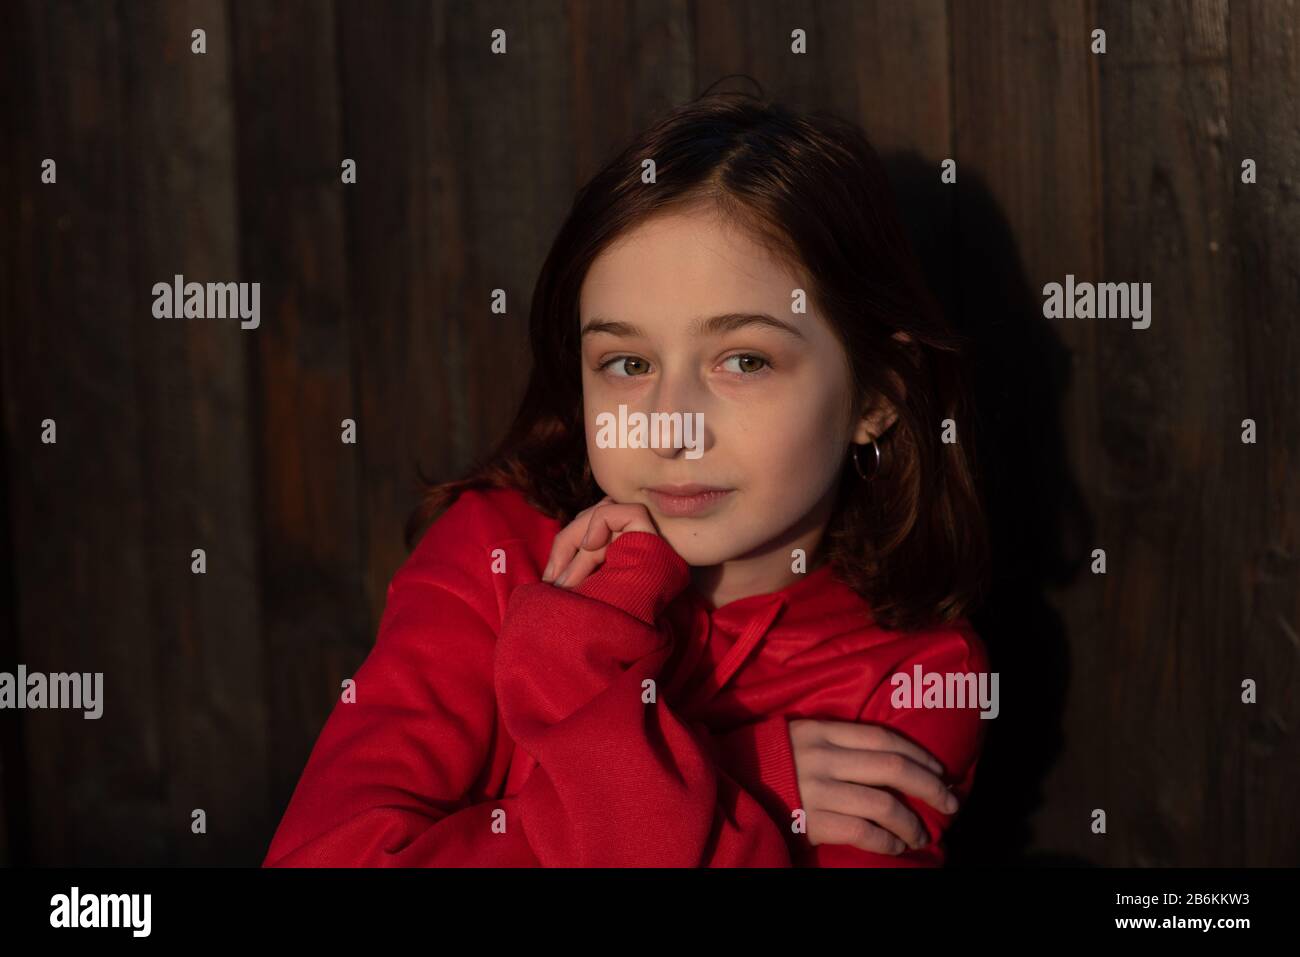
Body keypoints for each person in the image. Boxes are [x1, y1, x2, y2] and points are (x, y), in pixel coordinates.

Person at [263, 90, 992, 867]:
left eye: (744, 360)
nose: (669, 423)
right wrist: (739, 780)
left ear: (877, 394)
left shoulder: (919, 675)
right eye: (628, 363)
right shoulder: (493, 551)